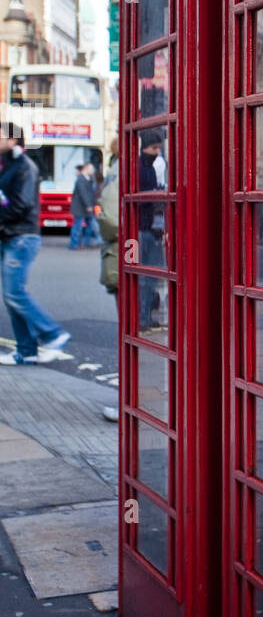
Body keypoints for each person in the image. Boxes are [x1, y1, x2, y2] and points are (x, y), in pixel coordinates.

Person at [0, 121, 70, 365]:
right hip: (8, 235)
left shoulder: (24, 167)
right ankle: (26, 351)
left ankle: (53, 334)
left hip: (21, 237)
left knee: (15, 294)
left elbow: (20, 204)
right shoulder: (7, 164)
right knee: (11, 297)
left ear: (13, 140)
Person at [97, 139, 120, 422]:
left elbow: (112, 219)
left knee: (129, 328)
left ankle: (128, 401)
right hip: (155, 254)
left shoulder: (118, 170)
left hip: (125, 253)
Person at [138, 130, 166, 332]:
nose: (157, 152)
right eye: (154, 148)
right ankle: (140, 316)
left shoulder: (149, 169)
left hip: (153, 229)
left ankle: (145, 316)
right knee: (142, 277)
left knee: (152, 277)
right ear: (144, 147)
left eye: (159, 148)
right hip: (139, 229)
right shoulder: (138, 168)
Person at [69, 161, 100, 249]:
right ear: (86, 168)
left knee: (89, 226)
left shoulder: (88, 179)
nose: (93, 170)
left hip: (87, 207)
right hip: (81, 208)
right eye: (91, 169)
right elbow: (83, 193)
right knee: (78, 227)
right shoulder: (81, 180)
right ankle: (74, 244)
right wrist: (88, 205)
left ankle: (86, 243)